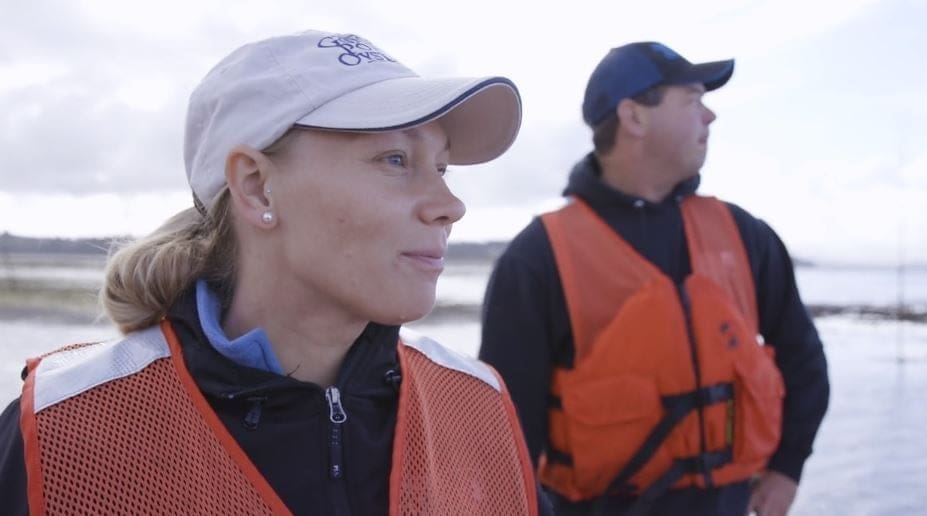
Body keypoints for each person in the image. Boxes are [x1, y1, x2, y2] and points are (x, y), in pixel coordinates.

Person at [0, 29, 554, 515]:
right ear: (256, 186)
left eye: (442, 167)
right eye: (395, 159)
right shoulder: (63, 429)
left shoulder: (478, 410)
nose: (450, 206)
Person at [479, 41, 829, 516]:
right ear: (634, 117)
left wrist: (787, 470)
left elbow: (804, 360)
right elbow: (501, 439)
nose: (710, 116)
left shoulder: (746, 237)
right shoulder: (537, 259)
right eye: (693, 99)